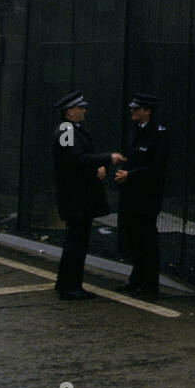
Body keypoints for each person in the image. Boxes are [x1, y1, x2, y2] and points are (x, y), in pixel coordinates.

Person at [52, 91, 124, 300]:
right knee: (77, 242)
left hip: (77, 196)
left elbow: (79, 160)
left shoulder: (72, 130)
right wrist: (106, 158)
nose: (84, 110)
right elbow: (74, 160)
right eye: (80, 108)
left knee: (76, 242)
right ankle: (70, 287)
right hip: (76, 197)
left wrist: (97, 166)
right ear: (69, 112)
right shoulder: (67, 131)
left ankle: (66, 283)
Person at [115, 93, 170, 298]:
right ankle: (136, 278)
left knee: (147, 238)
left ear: (147, 110)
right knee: (134, 237)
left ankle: (150, 285)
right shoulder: (135, 131)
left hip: (147, 193)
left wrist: (130, 174)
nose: (132, 111)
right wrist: (123, 172)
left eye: (136, 109)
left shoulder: (159, 134)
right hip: (131, 191)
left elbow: (156, 166)